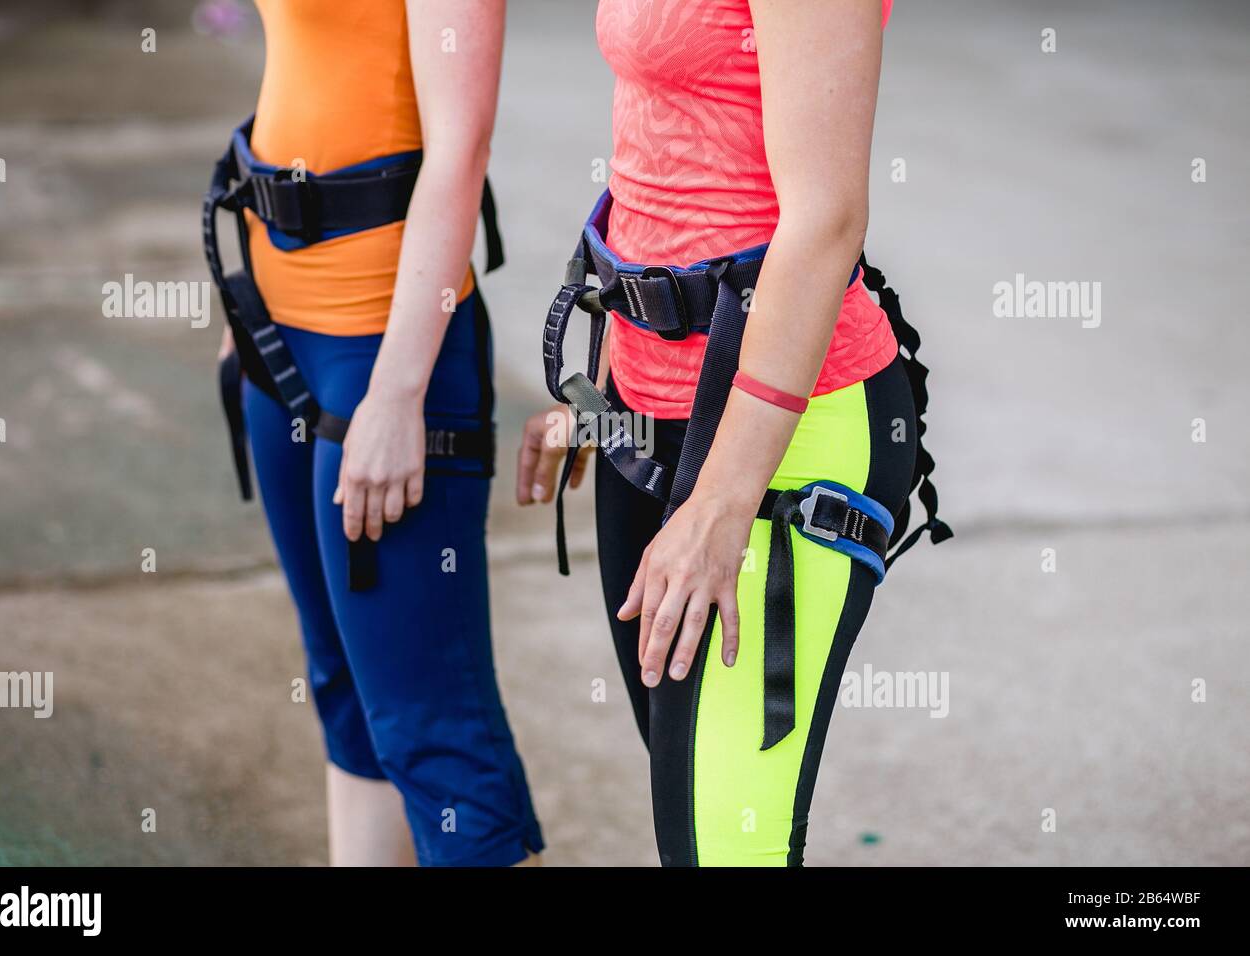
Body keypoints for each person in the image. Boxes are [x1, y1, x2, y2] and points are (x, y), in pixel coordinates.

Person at [519, 0, 947, 866]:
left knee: (726, 849)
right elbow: (664, 156)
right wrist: (603, 399)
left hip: (785, 439)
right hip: (648, 421)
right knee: (696, 818)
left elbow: (825, 221)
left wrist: (721, 498)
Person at [207, 0, 543, 867]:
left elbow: (459, 150)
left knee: (434, 729)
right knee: (346, 688)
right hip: (279, 330)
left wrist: (399, 394)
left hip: (385, 351)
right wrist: (255, 289)